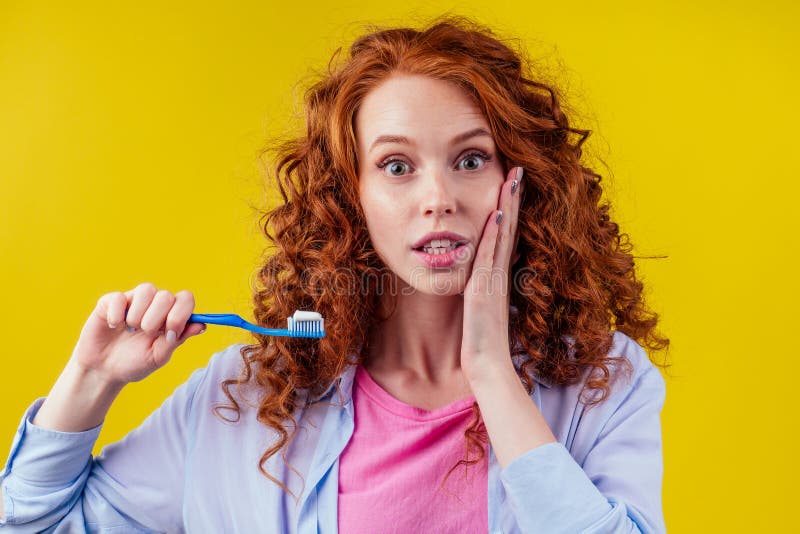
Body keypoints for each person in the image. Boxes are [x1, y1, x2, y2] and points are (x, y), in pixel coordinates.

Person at [0, 15, 670, 533]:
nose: (437, 196)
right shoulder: (246, 398)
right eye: (397, 166)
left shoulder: (603, 386)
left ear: (518, 181)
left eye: (470, 160)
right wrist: (90, 380)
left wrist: (492, 373)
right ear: (351, 196)